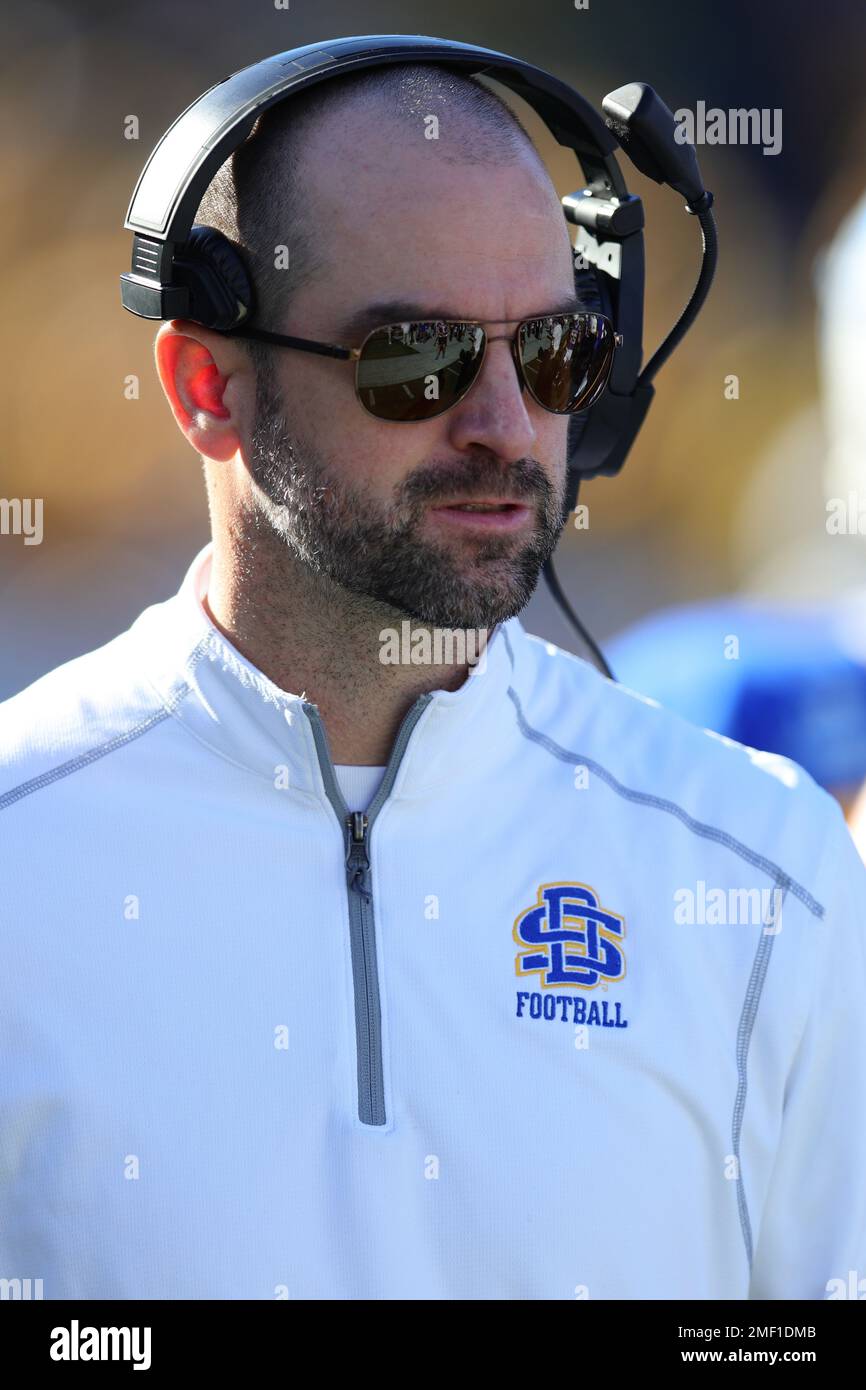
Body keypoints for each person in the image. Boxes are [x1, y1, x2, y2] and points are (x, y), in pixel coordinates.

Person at [1, 57, 864, 1302]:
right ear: (208, 387)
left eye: (558, 352)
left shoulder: (763, 869)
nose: (508, 427)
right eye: (420, 358)